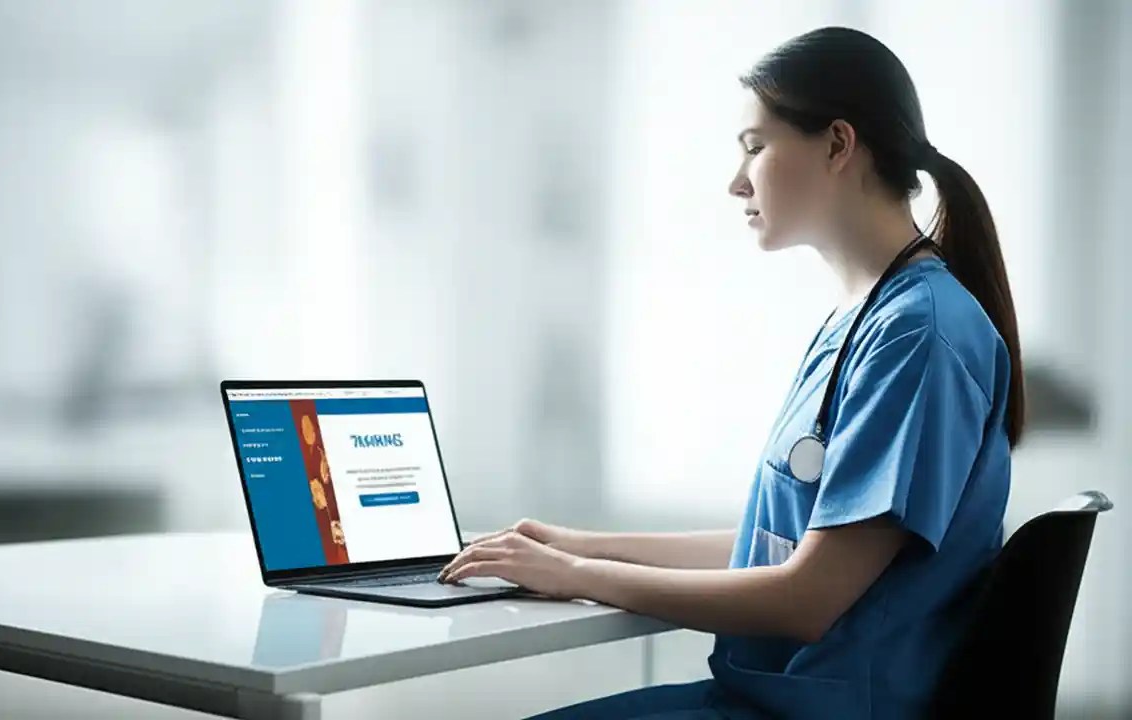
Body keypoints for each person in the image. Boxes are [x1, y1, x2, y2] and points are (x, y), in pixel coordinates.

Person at [438, 26, 1023, 719]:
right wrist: (573, 543)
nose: (736, 181)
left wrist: (576, 577)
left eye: (755, 147)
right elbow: (780, 547)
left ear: (838, 144)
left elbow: (809, 597)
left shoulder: (917, 334)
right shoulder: (867, 317)